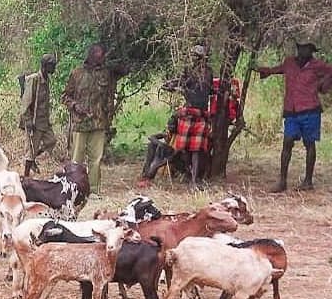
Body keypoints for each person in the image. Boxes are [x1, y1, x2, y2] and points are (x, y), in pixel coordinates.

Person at [137, 45, 241, 189]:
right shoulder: (191, 71)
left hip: (200, 115)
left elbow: (206, 89)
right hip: (190, 113)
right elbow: (183, 84)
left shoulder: (207, 72)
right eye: (194, 57)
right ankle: (182, 176)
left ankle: (193, 180)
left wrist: (218, 92)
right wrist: (173, 86)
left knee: (196, 149)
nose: (195, 60)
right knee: (183, 149)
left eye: (196, 56)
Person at [256, 39, 332, 192]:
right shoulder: (289, 63)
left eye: (308, 49)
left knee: (309, 144)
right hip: (291, 109)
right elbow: (276, 69)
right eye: (303, 48)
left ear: (311, 51)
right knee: (287, 142)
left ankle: (308, 181)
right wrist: (262, 70)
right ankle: (282, 181)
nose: (305, 51)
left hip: (310, 109)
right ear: (299, 48)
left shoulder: (318, 65)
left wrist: (323, 84)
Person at [61, 43, 123, 192]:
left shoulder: (106, 74)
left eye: (103, 55)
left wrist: (108, 119)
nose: (102, 58)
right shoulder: (77, 73)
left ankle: (94, 190)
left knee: (96, 159)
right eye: (99, 55)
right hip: (80, 123)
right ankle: (75, 189)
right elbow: (65, 96)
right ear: (91, 56)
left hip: (98, 123)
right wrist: (75, 106)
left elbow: (109, 97)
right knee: (77, 160)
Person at [18, 53, 59, 176]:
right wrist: (28, 121)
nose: (54, 68)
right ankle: (25, 176)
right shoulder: (34, 79)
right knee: (30, 151)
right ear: (45, 66)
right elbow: (26, 102)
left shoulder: (47, 80)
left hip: (44, 121)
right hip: (34, 122)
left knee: (51, 141)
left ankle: (33, 159)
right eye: (52, 66)